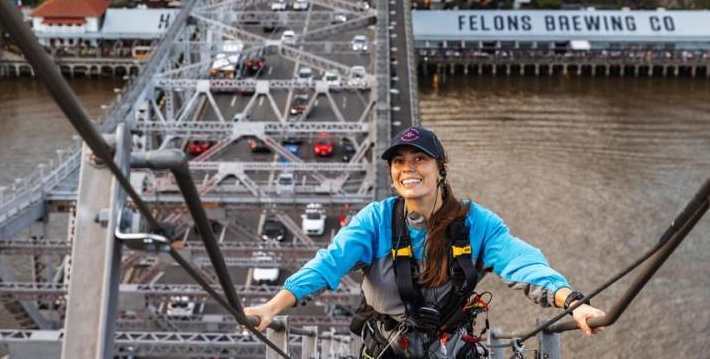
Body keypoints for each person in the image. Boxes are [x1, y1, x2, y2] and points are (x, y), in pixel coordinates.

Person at [245, 126, 605, 358]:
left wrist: (573, 302)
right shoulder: (376, 221)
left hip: (450, 348)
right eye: (399, 162)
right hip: (387, 348)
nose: (408, 168)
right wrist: (271, 308)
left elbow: (524, 264)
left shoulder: (475, 224)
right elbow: (329, 263)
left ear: (441, 168)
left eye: (420, 159)